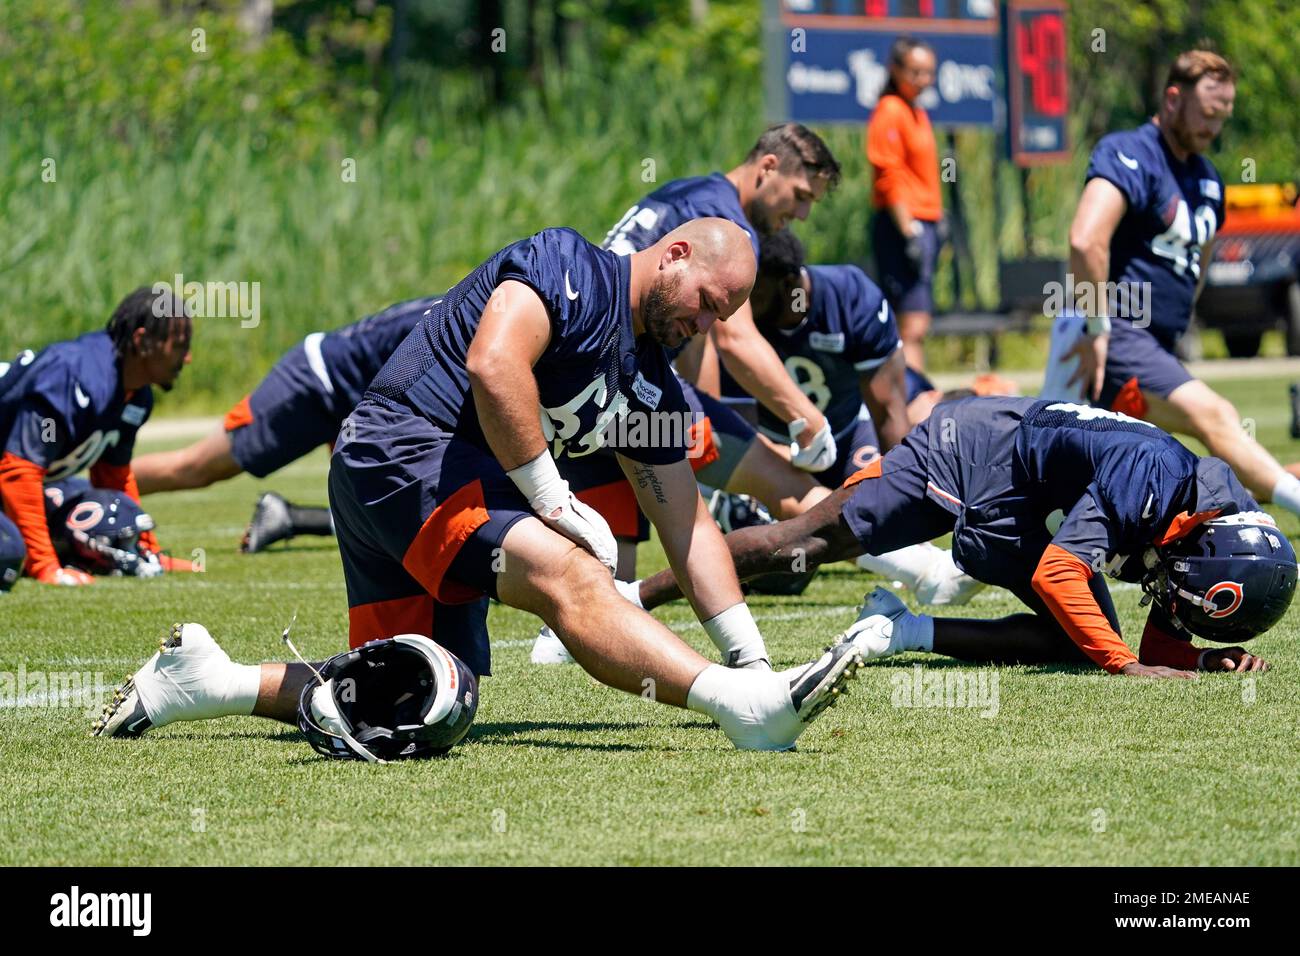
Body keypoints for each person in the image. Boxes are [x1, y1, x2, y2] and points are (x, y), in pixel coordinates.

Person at [93, 219, 871, 753]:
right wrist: (554, 501)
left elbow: (690, 528)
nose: (706, 325)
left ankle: (206, 681)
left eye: (726, 315)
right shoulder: (571, 267)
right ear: (672, 256)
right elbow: (494, 365)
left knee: (417, 695)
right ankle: (738, 712)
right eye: (709, 301)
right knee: (570, 570)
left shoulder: (654, 390)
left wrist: (754, 658)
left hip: (435, 482)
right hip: (403, 452)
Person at [631, 396, 1295, 678]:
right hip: (964, 451)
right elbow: (1057, 575)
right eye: (1185, 597)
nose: (1171, 603)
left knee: (1074, 642)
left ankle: (898, 630)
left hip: (1019, 492)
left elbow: (1160, 638)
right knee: (803, 543)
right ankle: (635, 597)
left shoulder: (1204, 516)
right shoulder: (1154, 482)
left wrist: (1200, 660)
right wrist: (1126, 666)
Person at [1051, 49, 1300, 521]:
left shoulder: (1207, 178)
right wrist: (1095, 327)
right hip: (1114, 332)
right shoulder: (1131, 152)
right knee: (1218, 417)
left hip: (1149, 342)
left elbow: (1197, 264)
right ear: (1172, 98)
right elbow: (1085, 241)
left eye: (1222, 117)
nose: (1213, 128)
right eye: (1206, 114)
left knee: (1063, 492)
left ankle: (957, 568)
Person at [131, 295, 440, 552]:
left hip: (360, 404)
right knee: (197, 467)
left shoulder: (466, 307)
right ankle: (94, 494)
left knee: (387, 509)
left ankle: (289, 518)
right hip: (315, 383)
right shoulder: (463, 316)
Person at [0, 287, 193, 586]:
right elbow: (18, 470)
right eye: (180, 346)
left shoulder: (136, 396)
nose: (188, 357)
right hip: (10, 477)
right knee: (8, 550)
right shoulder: (74, 376)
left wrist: (146, 551)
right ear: (142, 341)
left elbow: (113, 477)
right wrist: (46, 566)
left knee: (93, 513)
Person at [866, 36, 943, 372]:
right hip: (902, 226)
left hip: (922, 223)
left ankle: (913, 396)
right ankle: (914, 402)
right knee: (911, 325)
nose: (923, 80)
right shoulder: (890, 111)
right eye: (915, 72)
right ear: (895, 70)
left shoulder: (917, 112)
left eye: (929, 72)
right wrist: (908, 231)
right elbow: (889, 174)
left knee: (917, 323)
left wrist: (937, 220)